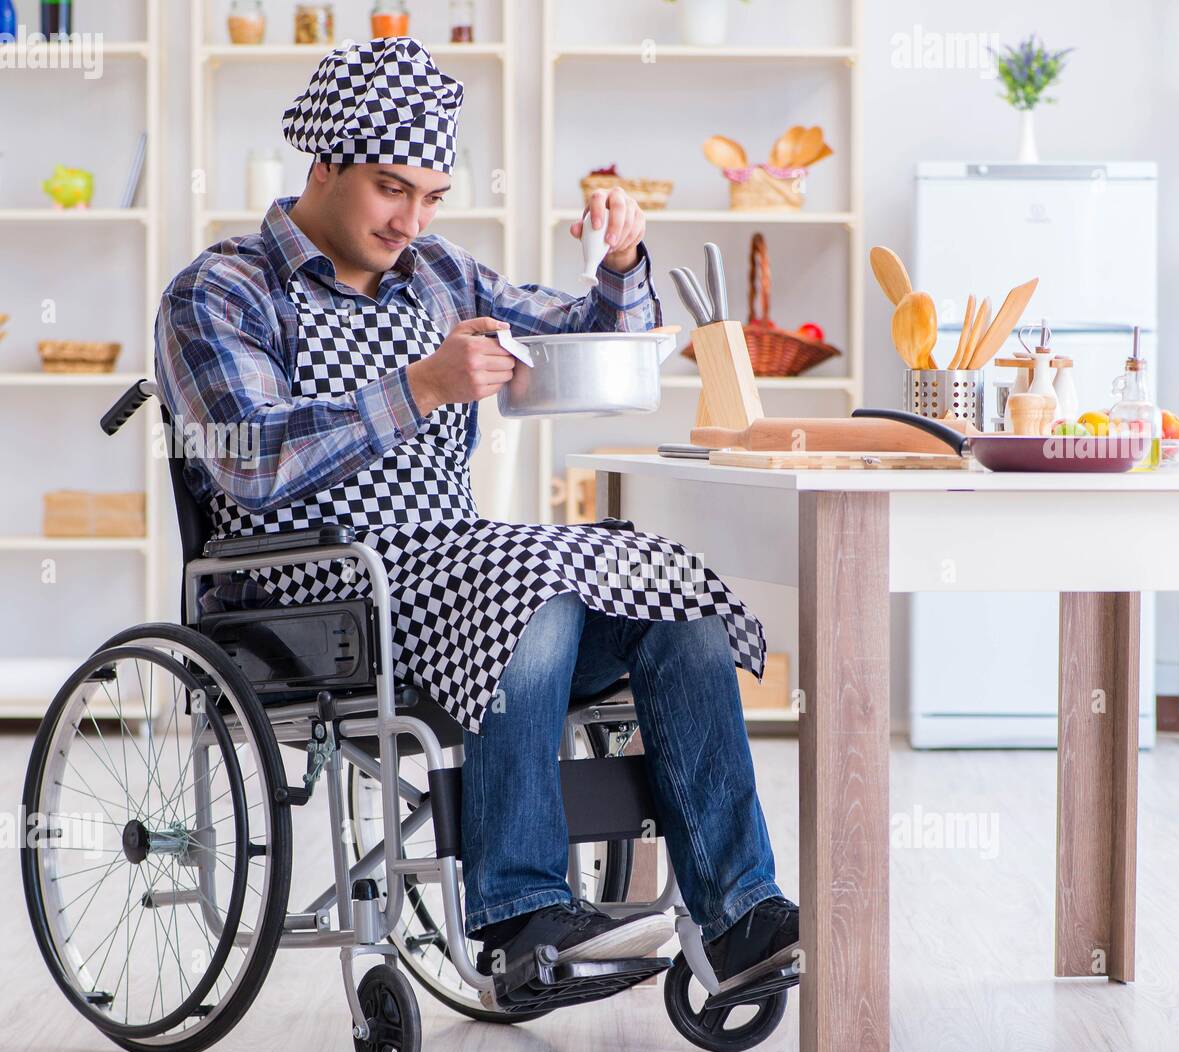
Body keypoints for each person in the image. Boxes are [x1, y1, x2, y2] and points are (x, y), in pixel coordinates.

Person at [154, 37, 798, 994]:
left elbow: (592, 348)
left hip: (453, 580)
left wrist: (621, 262)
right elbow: (248, 460)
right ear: (323, 163)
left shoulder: (441, 275)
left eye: (431, 197)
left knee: (670, 592)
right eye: (390, 189)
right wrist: (417, 386)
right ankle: (520, 913)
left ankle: (740, 912)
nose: (411, 220)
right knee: (526, 580)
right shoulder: (222, 290)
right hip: (307, 602)